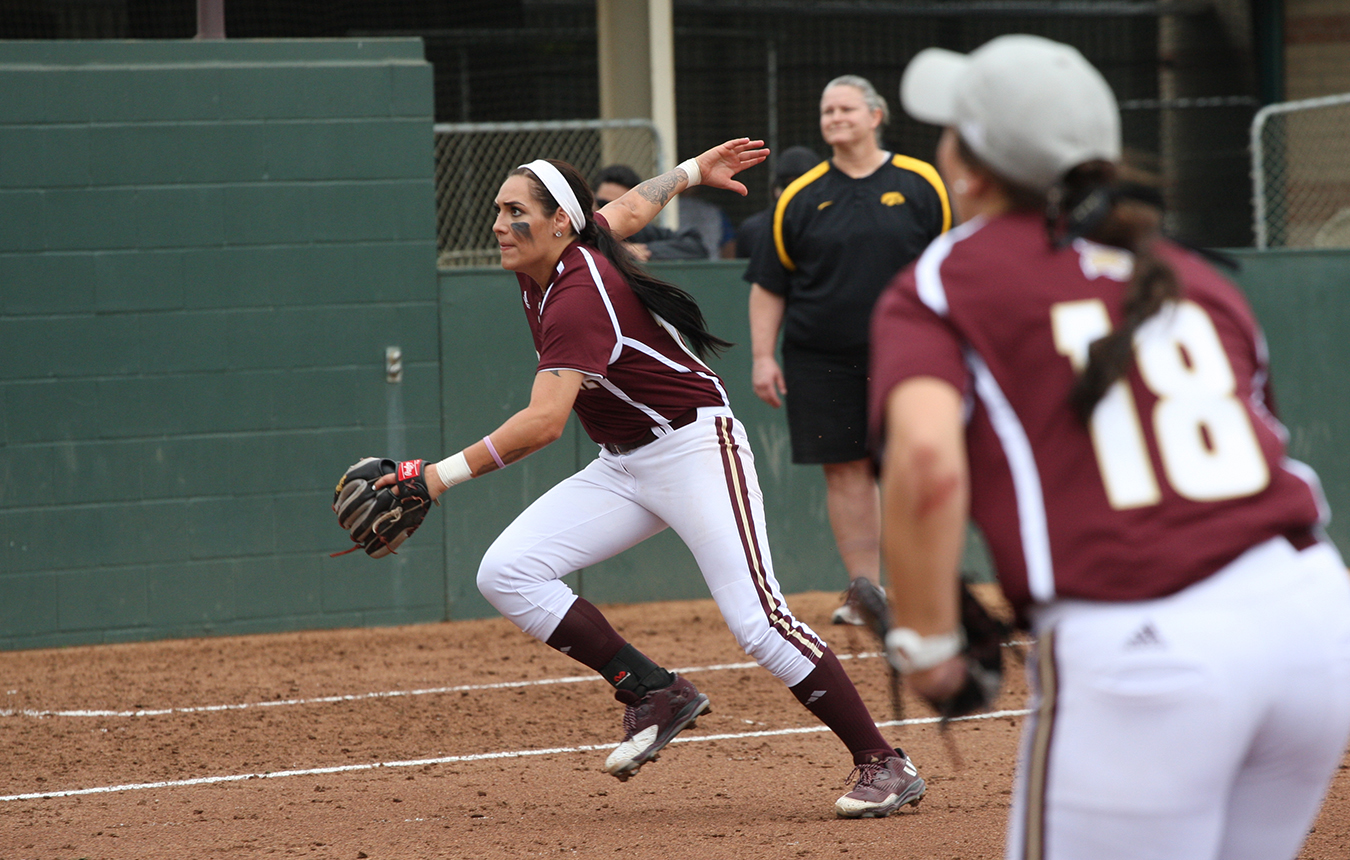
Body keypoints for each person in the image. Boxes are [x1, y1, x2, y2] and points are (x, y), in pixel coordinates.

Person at [871, 35, 1350, 859]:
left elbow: (923, 463)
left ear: (971, 169)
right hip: (1313, 622)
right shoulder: (1191, 275)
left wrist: (929, 645)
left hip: (1147, 650)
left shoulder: (948, 276)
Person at [372, 138, 926, 818]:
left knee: (760, 625)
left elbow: (545, 423)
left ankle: (884, 761)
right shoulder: (554, 252)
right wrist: (694, 170)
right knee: (508, 571)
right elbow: (629, 209)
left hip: (695, 447)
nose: (498, 223)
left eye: (514, 210)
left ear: (557, 223)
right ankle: (652, 692)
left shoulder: (578, 291)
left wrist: (434, 477)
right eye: (497, 209)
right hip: (625, 461)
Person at [745, 75, 950, 626]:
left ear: (876, 116)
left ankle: (923, 585)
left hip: (909, 356)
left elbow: (952, 268)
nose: (834, 117)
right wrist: (764, 356)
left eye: (845, 108)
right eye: (826, 109)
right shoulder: (800, 195)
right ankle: (866, 591)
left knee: (911, 468)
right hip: (820, 358)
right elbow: (769, 285)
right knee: (845, 471)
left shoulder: (921, 181)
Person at [593, 163, 709, 261]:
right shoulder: (581, 231)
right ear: (592, 200)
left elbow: (695, 247)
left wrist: (640, 251)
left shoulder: (637, 231)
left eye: (624, 207)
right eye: (604, 204)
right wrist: (615, 249)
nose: (613, 212)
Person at [735, 145, 820, 259]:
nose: (793, 193)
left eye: (803, 185)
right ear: (774, 189)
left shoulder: (833, 225)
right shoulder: (753, 230)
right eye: (786, 185)